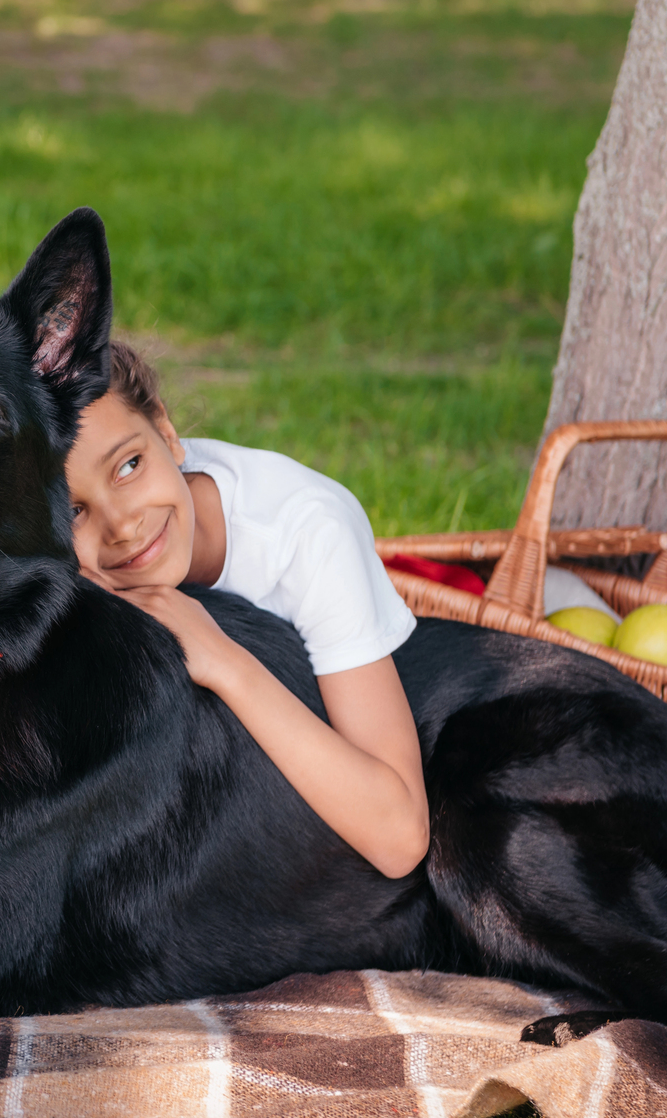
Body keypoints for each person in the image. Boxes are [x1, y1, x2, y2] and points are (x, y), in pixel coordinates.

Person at [63, 342, 430, 879]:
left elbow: (401, 837)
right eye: (72, 510)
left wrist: (221, 659)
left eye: (130, 465)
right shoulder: (77, 566)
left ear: (167, 434)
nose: (121, 525)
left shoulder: (306, 534)